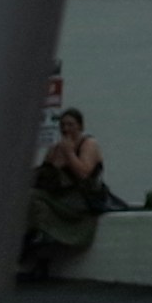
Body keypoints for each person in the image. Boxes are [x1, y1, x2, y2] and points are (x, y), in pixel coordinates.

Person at [19, 108, 108, 281]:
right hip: (57, 196)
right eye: (63, 125)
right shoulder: (55, 148)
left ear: (80, 126)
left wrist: (69, 153)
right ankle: (37, 253)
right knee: (35, 203)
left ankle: (32, 247)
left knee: (36, 201)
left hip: (81, 198)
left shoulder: (89, 144)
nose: (66, 129)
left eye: (71, 125)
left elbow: (84, 173)